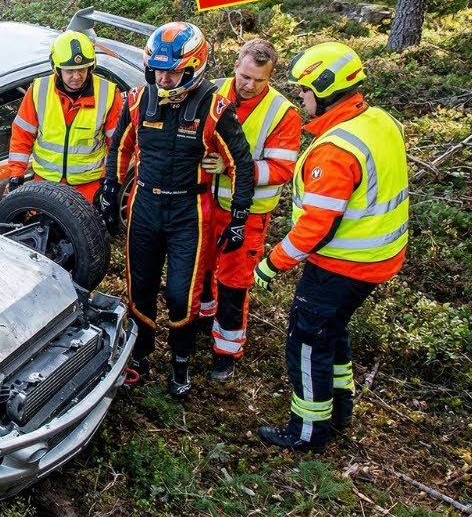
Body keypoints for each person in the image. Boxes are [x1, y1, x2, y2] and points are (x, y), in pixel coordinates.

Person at [254, 42, 408, 453]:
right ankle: (342, 409)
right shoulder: (378, 121)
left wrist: (271, 264)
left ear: (324, 90)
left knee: (306, 341)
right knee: (333, 332)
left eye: (304, 91)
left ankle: (307, 431)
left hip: (343, 265)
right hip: (376, 259)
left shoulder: (336, 150)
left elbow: (316, 228)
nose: (301, 99)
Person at [97, 22, 254, 396]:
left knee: (182, 294)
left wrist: (239, 217)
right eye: (158, 71)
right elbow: (120, 147)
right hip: (146, 205)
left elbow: (242, 164)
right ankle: (141, 354)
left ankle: (181, 362)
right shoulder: (136, 100)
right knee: (141, 288)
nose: (164, 79)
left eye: (173, 72)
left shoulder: (215, 109)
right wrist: (109, 187)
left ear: (194, 67)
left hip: (189, 210)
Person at [198, 39, 302, 382]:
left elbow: (282, 168)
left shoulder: (282, 113)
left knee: (233, 283)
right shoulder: (211, 92)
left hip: (249, 213)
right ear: (235, 66)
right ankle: (202, 321)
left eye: (258, 80)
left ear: (270, 77)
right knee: (201, 269)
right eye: (244, 76)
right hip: (204, 202)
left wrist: (231, 167)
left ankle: (225, 353)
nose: (248, 85)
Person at [7, 30, 121, 203]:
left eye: (82, 69)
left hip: (88, 188)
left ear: (91, 66)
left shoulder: (109, 94)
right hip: (45, 185)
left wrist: (109, 180)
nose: (76, 77)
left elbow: (117, 146)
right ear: (57, 68)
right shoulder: (38, 90)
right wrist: (16, 176)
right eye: (70, 71)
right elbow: (21, 136)